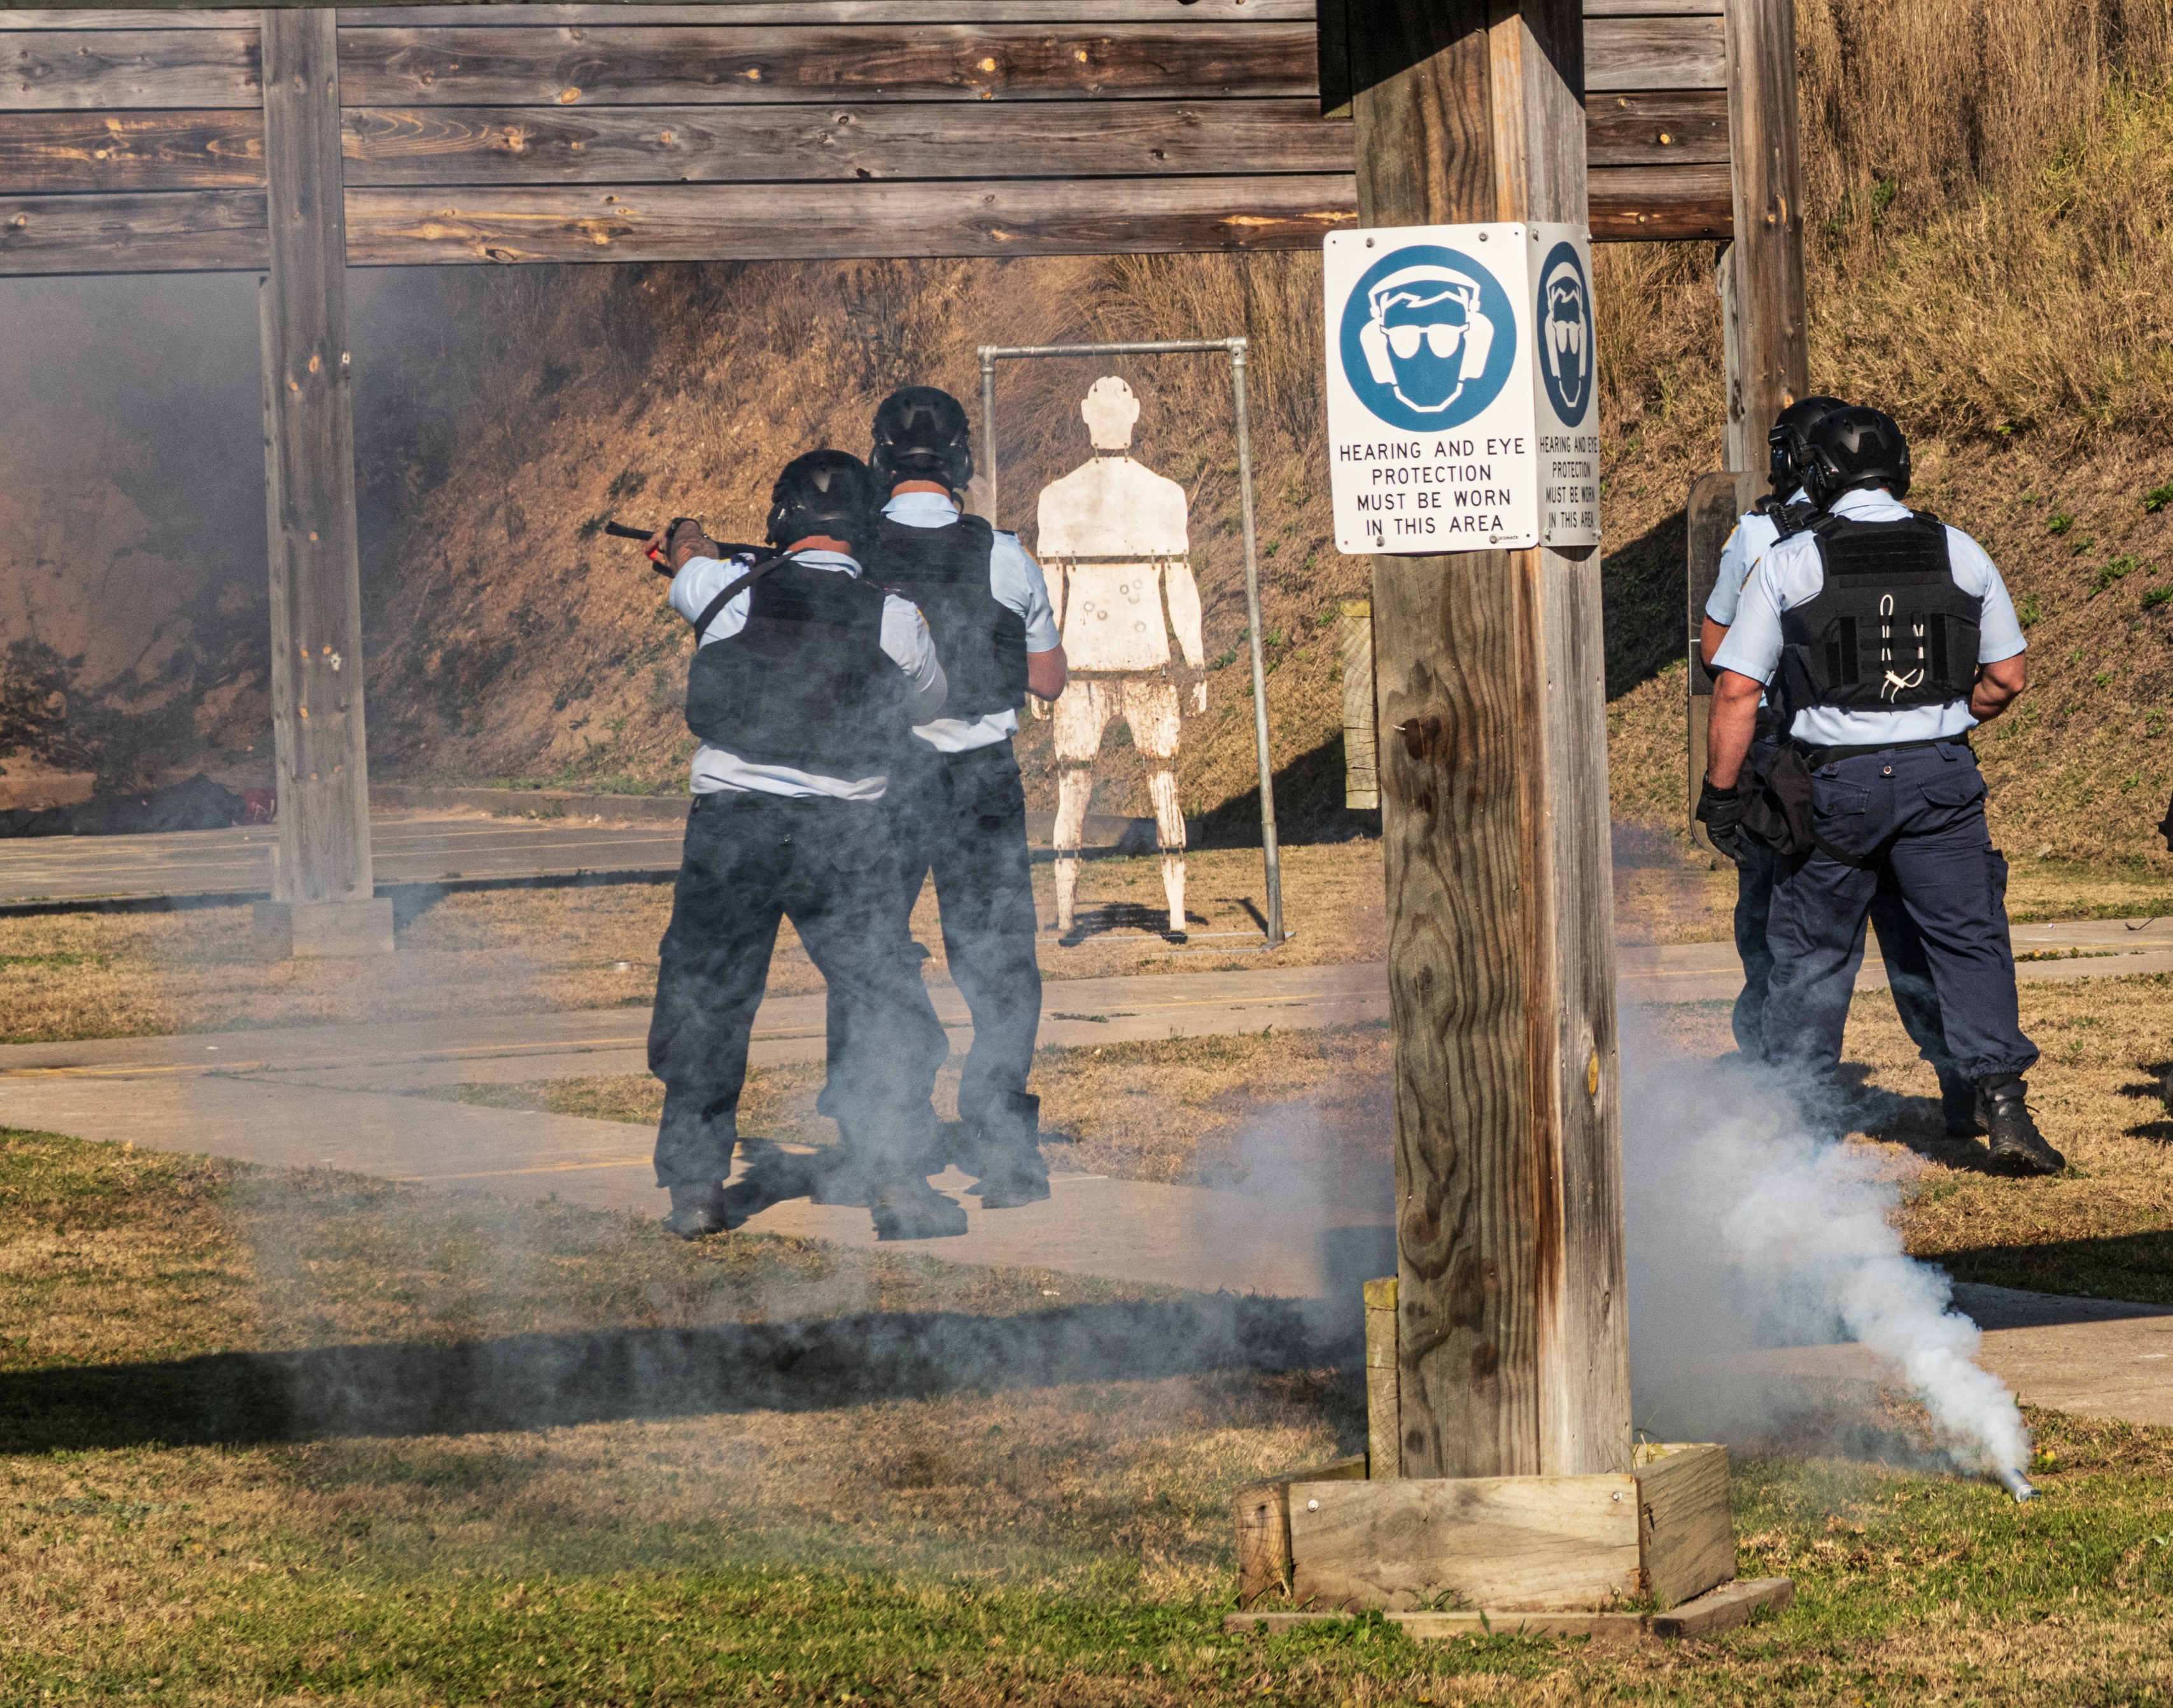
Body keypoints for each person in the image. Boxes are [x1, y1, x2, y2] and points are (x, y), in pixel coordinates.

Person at [1697, 407, 2060, 1175]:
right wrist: (1944, 720)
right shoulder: (1960, 549)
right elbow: (2007, 676)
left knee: (1814, 955)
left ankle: (1798, 1123)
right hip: (1940, 779)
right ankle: (2005, 1111)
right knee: (1967, 941)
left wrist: (1721, 795)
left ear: (1817, 472)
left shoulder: (1791, 561)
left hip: (1833, 787)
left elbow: (1733, 689)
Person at [645, 450, 967, 1241]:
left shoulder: (723, 589)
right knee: (880, 1003)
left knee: (708, 998)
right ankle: (894, 1180)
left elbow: (686, 561)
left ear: (782, 518)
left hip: (732, 827)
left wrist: (690, 538)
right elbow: (933, 699)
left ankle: (696, 1189)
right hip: (846, 835)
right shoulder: (895, 614)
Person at [817, 386, 1069, 1208]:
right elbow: (1048, 682)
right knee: (996, 964)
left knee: (870, 956)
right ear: (962, 462)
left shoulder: (853, 556)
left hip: (884, 780)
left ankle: (880, 1142)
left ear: (879, 460)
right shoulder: (1005, 556)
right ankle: (1004, 1151)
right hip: (981, 779)